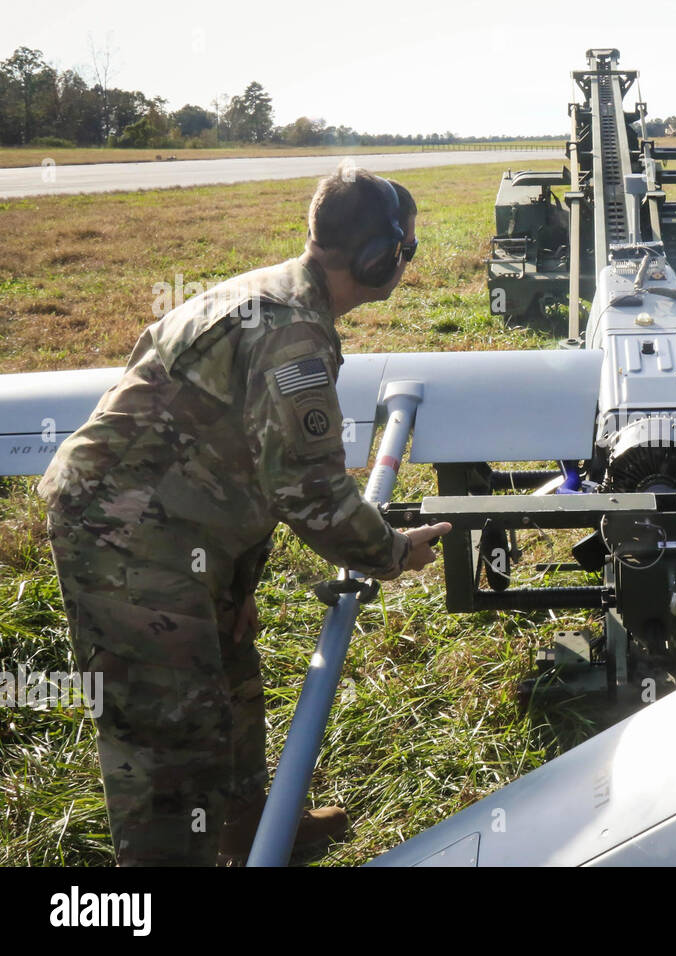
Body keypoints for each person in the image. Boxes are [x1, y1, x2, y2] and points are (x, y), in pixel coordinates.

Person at [38, 165, 451, 866]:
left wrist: (228, 586)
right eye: (404, 252)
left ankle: (259, 834)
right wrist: (392, 552)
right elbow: (310, 494)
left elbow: (234, 457)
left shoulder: (273, 294)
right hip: (124, 540)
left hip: (175, 528)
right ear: (376, 257)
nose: (404, 267)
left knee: (233, 682)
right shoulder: (293, 335)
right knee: (169, 739)